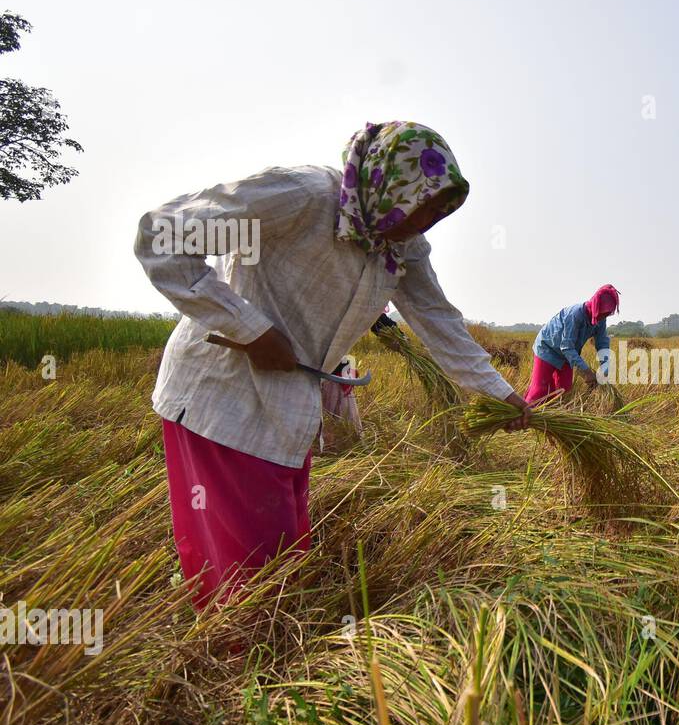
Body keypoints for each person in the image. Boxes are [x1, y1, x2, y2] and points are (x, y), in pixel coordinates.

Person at [135, 121, 530, 608]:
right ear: (391, 185)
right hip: (222, 399)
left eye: (435, 217)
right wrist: (250, 329)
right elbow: (164, 234)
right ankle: (240, 670)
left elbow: (436, 318)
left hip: (287, 409)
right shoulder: (303, 197)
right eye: (419, 210)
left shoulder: (399, 244)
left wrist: (500, 392)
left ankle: (255, 662)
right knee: (253, 577)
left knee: (279, 557)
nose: (421, 227)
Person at [524, 285, 619, 404]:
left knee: (564, 390)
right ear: (595, 305)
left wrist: (604, 369)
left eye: (607, 314)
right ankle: (526, 415)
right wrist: (586, 372)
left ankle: (552, 418)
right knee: (540, 390)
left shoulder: (601, 319)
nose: (604, 317)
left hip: (566, 356)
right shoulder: (575, 314)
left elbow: (602, 343)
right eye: (603, 313)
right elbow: (567, 347)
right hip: (547, 349)